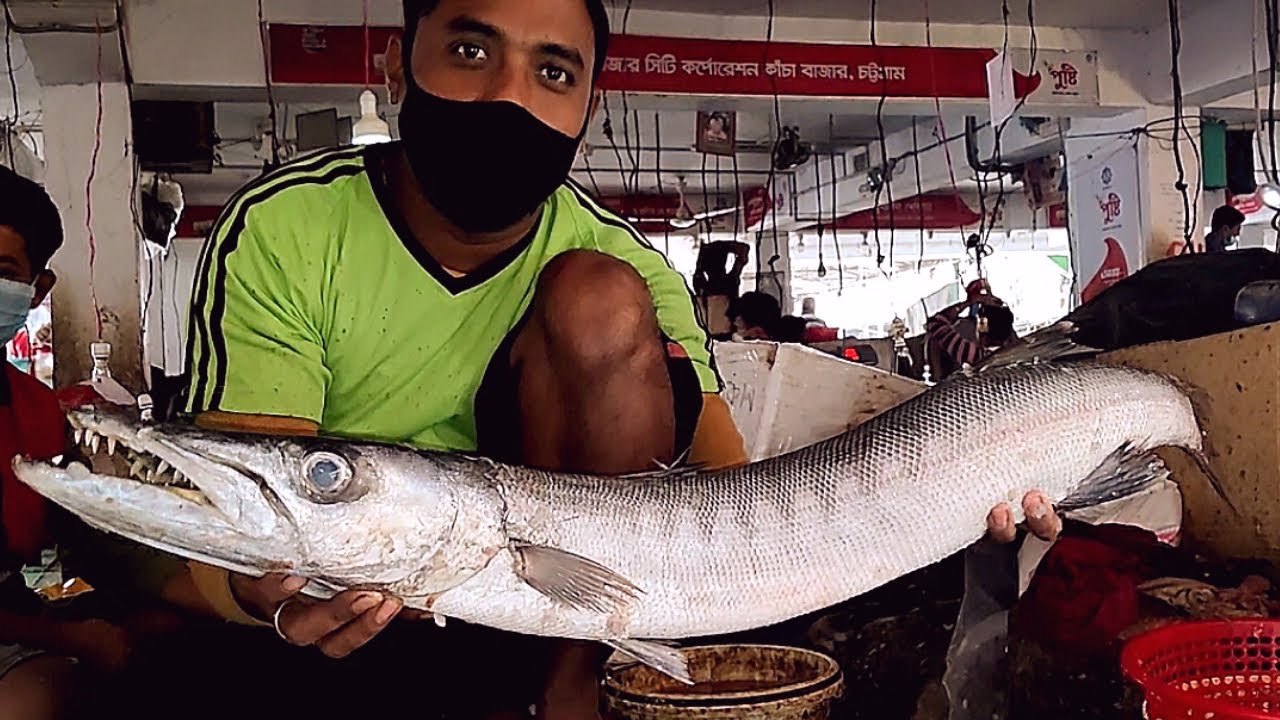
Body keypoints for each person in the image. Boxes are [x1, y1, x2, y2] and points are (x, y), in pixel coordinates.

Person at [134, 1, 1059, 716]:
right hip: (360, 614)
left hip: (582, 614)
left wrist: (958, 493)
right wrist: (273, 604)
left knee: (594, 293)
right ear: (393, 64)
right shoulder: (288, 226)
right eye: (469, 50)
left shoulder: (627, 260)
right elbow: (257, 502)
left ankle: (573, 686)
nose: (507, 95)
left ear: (587, 101)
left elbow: (728, 495)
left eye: (552, 71)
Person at [0, 165, 132, 719]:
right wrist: (76, 639)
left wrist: (90, 608)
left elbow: (43, 563)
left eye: (3, 269)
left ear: (37, 289)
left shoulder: (35, 412)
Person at [925, 280, 1020, 381]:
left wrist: (969, 302)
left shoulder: (974, 356)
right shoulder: (1016, 357)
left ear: (983, 326)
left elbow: (935, 322)